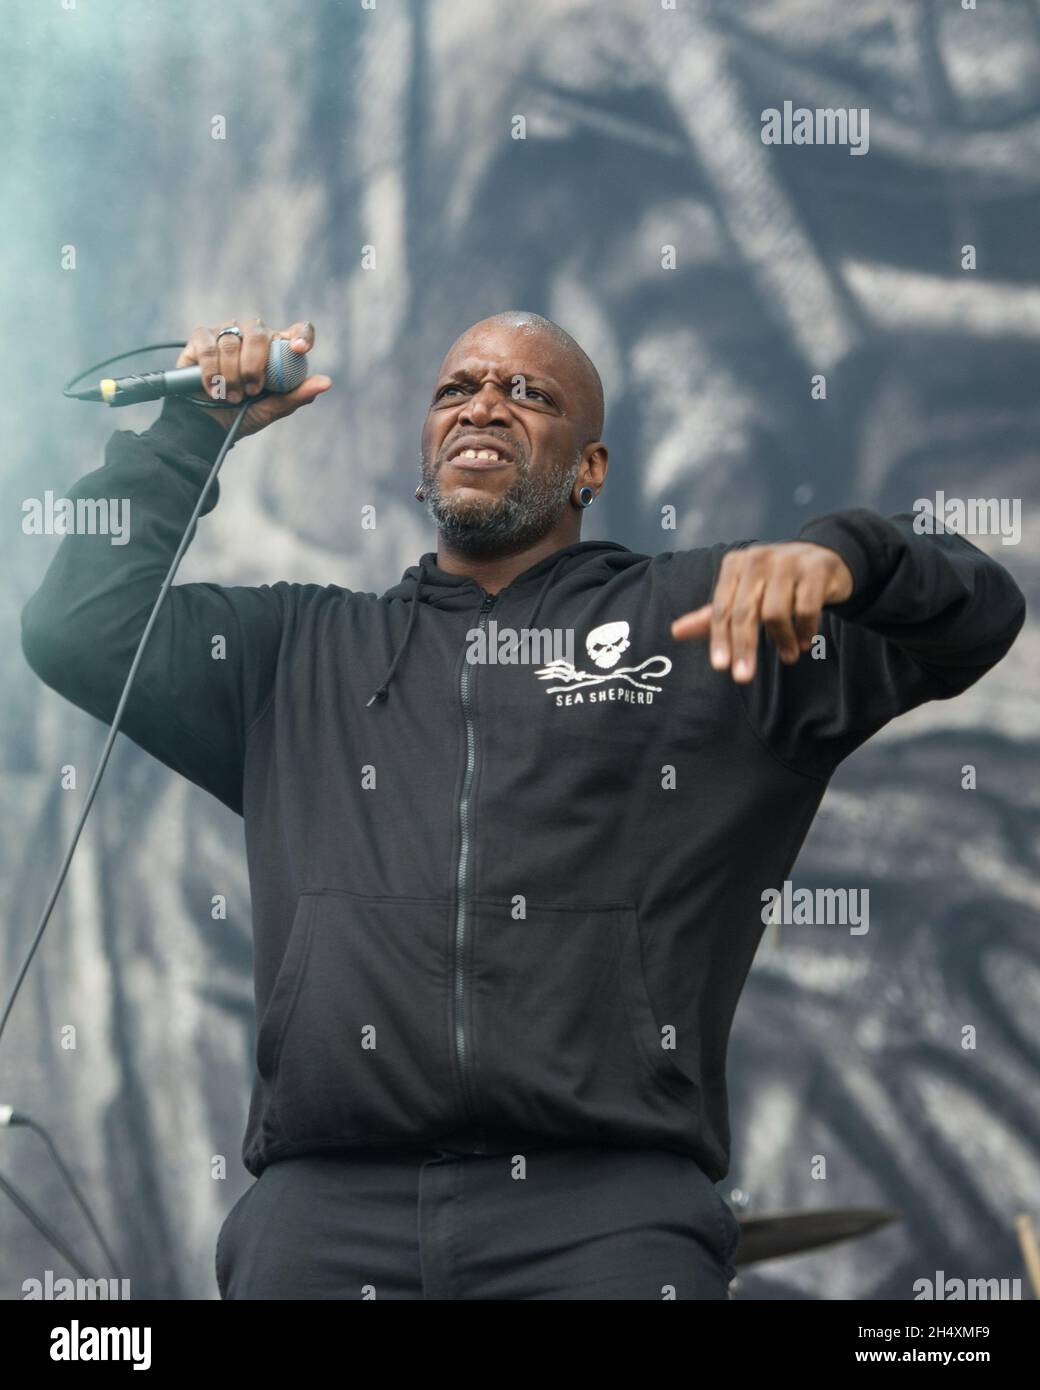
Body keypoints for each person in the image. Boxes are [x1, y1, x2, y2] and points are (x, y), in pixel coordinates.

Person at [21, 310, 1025, 1300]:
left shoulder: (702, 620)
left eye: (525, 392)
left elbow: (976, 618)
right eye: (456, 390)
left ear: (588, 468)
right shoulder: (300, 651)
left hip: (603, 1217)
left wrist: (848, 557)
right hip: (324, 1219)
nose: (483, 405)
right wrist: (192, 432)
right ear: (422, 462)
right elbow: (77, 627)